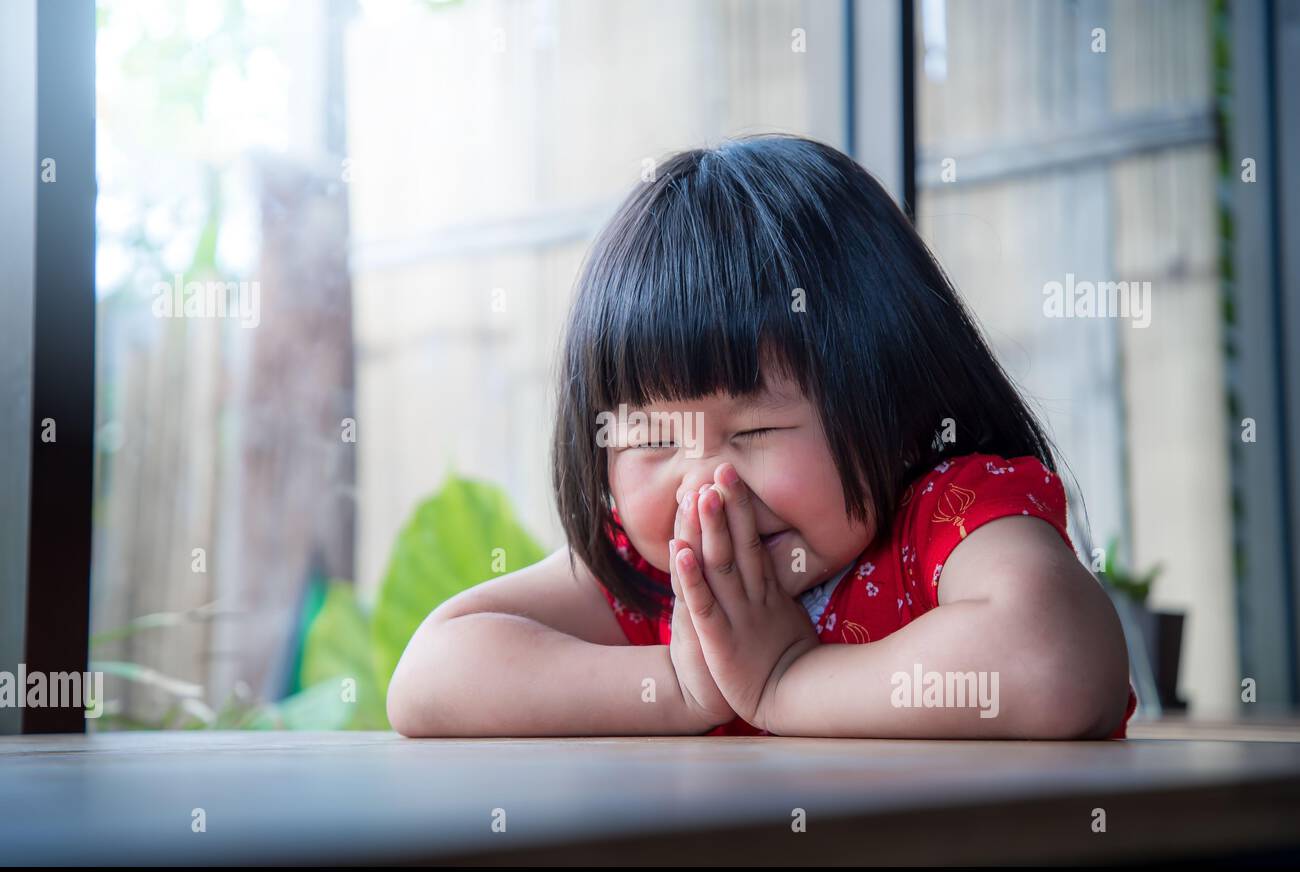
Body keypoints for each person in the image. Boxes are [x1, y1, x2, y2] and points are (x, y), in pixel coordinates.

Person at [387, 134, 1136, 739]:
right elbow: (429, 680)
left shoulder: (944, 518)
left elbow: (1055, 664)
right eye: (652, 436)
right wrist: (677, 689)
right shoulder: (655, 575)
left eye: (759, 428)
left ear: (904, 412)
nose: (706, 484)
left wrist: (786, 680)